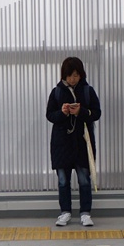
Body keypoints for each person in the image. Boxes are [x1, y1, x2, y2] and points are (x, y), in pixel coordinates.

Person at [46, 55, 101, 227]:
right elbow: (49, 115)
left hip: (82, 142)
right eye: (70, 75)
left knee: (84, 179)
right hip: (61, 144)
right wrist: (63, 113)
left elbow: (97, 113)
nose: (73, 78)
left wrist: (80, 112)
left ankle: (85, 213)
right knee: (63, 180)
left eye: (76, 75)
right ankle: (65, 212)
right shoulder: (56, 92)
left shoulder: (87, 91)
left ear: (81, 74)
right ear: (64, 75)